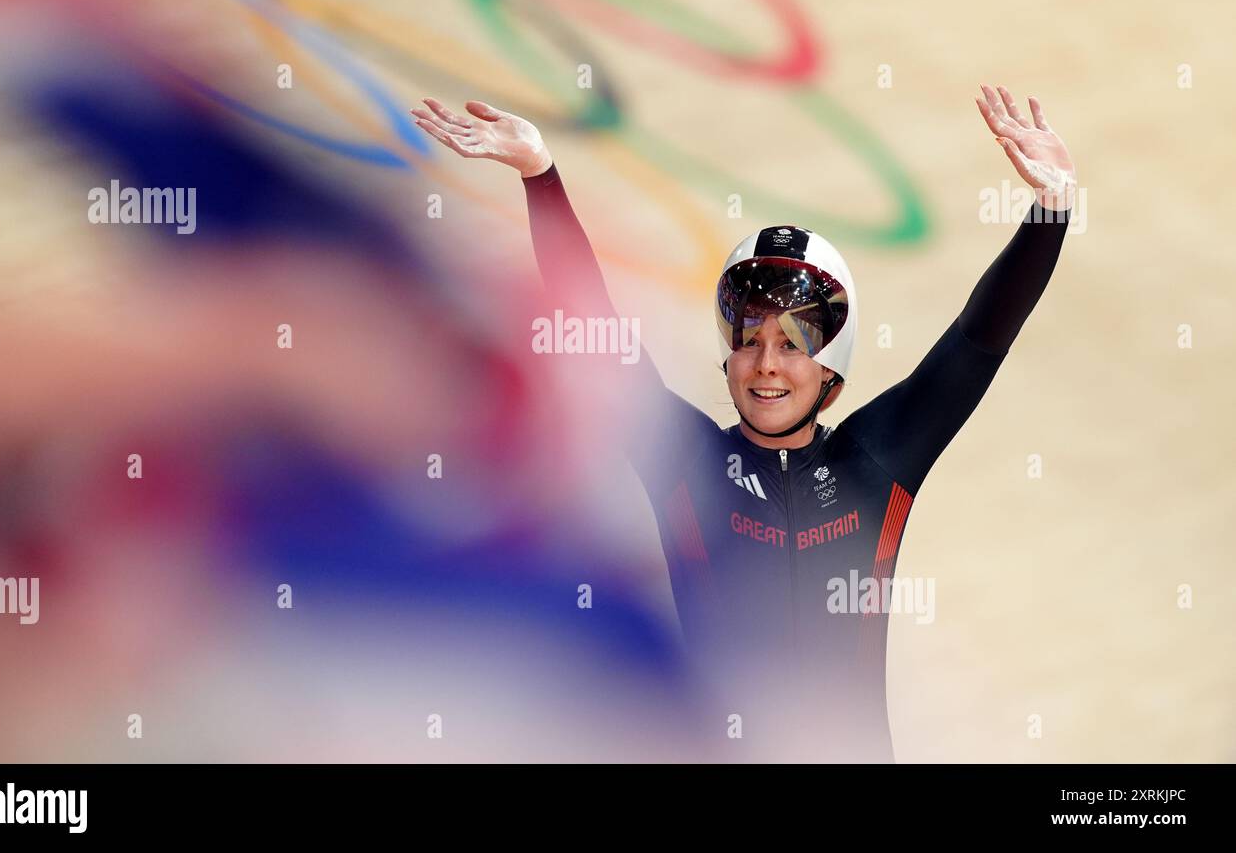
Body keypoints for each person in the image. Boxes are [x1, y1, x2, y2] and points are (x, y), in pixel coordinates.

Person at [411, 85, 1076, 762]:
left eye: (791, 346)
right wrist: (540, 175)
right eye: (748, 341)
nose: (765, 366)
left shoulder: (882, 457)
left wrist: (1052, 207)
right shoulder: (686, 459)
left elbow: (983, 334)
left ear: (830, 369)